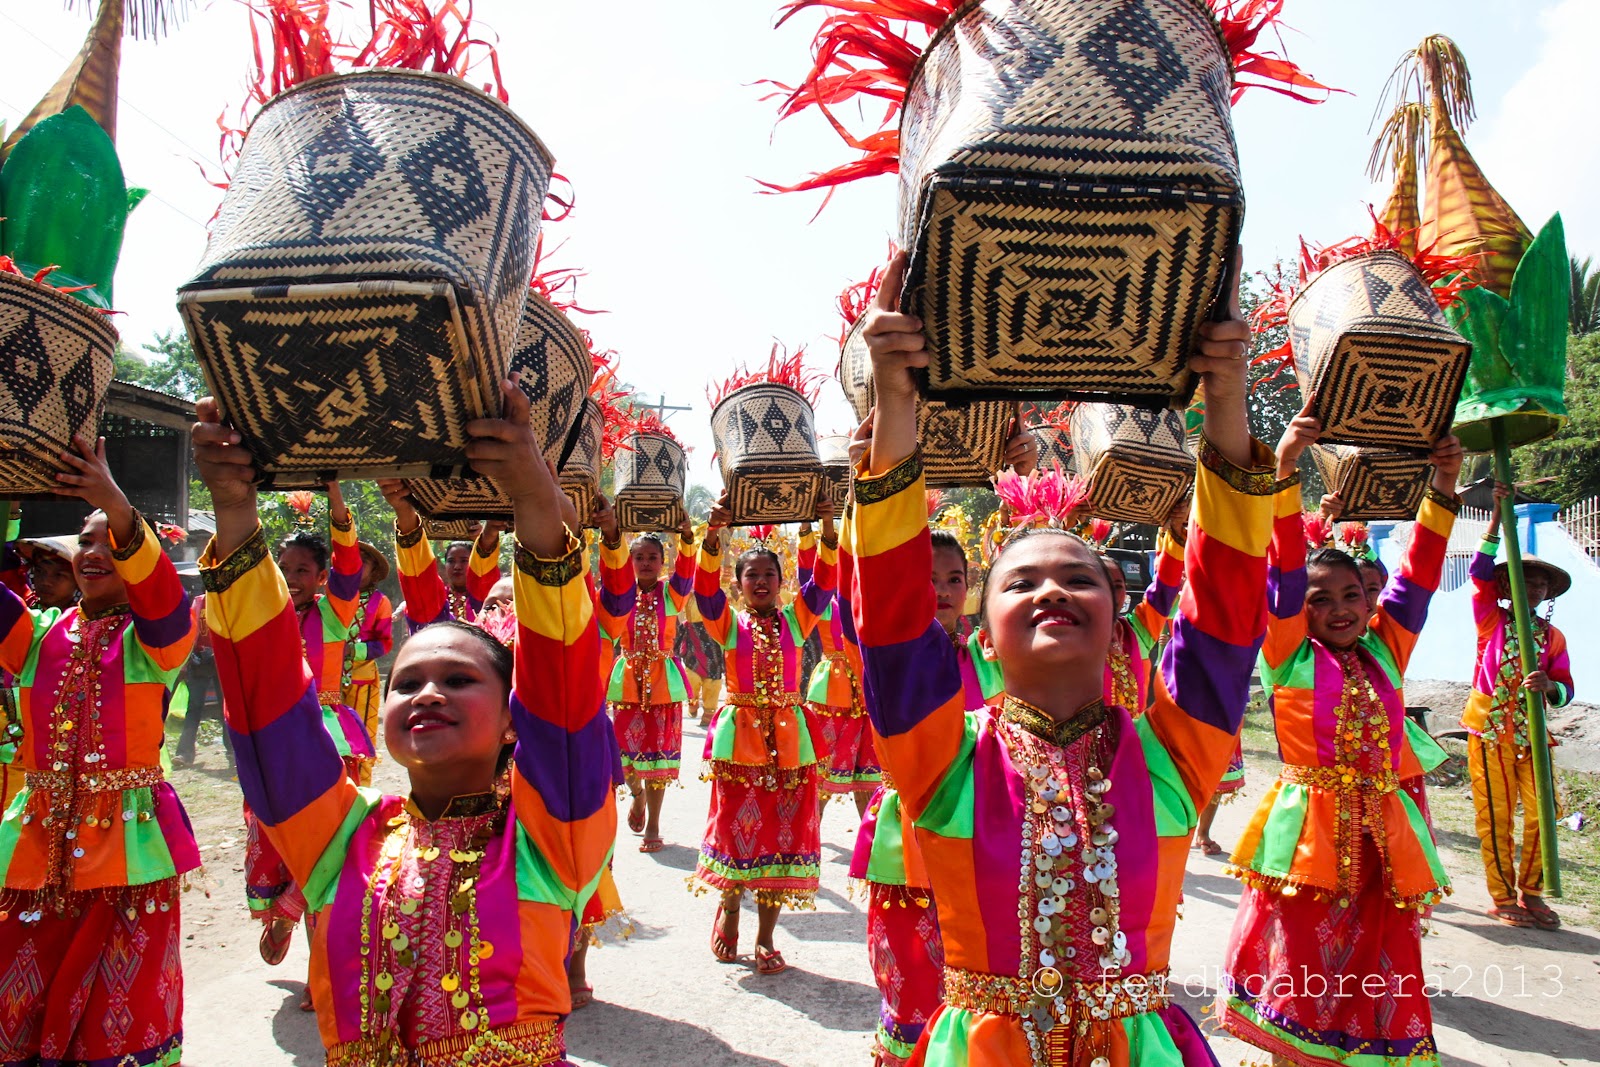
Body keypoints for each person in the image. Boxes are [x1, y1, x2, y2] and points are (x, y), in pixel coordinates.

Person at [850, 250, 1272, 1065]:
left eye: (1079, 577)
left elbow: (1224, 614)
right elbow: (893, 621)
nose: (1052, 589)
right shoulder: (945, 758)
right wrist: (898, 402)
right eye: (1022, 580)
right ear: (983, 624)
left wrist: (1226, 401)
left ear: (1119, 618)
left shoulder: (1173, 754)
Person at [193, 380, 618, 1065]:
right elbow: (268, 711)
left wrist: (534, 496)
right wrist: (236, 509)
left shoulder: (548, 838)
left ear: (514, 720)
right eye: (406, 682)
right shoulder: (341, 836)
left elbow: (565, 698)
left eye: (458, 679)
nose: (426, 693)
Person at [1219, 414, 1463, 1067]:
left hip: (1381, 847)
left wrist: (1444, 482)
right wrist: (1285, 471)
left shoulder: (1387, 651)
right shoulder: (1289, 656)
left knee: (1377, 967)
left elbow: (1419, 576)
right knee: (1303, 969)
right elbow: (1286, 571)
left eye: (1351, 594)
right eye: (1320, 599)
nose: (1338, 608)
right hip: (1308, 845)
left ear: (1369, 600)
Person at [0, 435, 198, 1067]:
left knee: (119, 1013)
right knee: (17, 999)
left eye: (111, 539)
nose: (94, 552)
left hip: (130, 856)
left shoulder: (160, 639)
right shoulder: (34, 636)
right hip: (33, 848)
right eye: (84, 539)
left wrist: (111, 500)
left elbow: (162, 604)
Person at [849, 524, 997, 1067]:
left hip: (986, 837)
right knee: (912, 988)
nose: (942, 589)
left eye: (955, 578)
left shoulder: (992, 655)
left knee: (984, 995)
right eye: (926, 577)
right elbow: (858, 581)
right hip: (907, 839)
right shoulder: (885, 653)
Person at [693, 496, 837, 975]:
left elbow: (824, 584)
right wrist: (713, 536)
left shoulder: (798, 622)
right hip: (740, 747)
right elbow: (704, 592)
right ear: (739, 585)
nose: (759, 582)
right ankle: (731, 912)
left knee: (782, 834)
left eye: (768, 575)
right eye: (750, 575)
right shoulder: (728, 627)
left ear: (781, 582)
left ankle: (767, 937)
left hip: (791, 747)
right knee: (739, 833)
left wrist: (823, 523)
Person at [249, 481, 375, 980]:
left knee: (330, 847)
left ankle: (317, 964)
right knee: (280, 844)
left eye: (302, 570)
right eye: (284, 569)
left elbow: (349, 563)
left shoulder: (335, 611)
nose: (291, 578)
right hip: (274, 740)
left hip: (329, 741)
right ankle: (289, 915)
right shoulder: (264, 614)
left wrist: (336, 497)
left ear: (322, 576)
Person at [1460, 482, 1574, 930]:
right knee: (1497, 816)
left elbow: (1565, 688)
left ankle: (1533, 892)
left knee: (1546, 812)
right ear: (1508, 586)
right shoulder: (1490, 620)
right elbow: (1478, 569)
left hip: (1533, 735)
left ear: (1548, 592)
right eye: (1527, 579)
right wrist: (1495, 516)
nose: (1536, 585)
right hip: (1488, 730)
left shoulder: (1552, 637)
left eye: (1542, 582)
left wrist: (1548, 687)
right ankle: (1502, 895)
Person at [592, 496, 697, 852]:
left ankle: (653, 824)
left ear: (662, 562)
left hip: (664, 685)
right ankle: (635, 794)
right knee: (623, 755)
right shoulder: (619, 596)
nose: (646, 563)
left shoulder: (673, 594)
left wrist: (686, 537)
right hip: (626, 684)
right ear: (629, 561)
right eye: (639, 557)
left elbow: (687, 571)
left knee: (658, 759)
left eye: (653, 557)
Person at [805, 518, 879, 822]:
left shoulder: (874, 597)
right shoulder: (825, 603)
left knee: (870, 774)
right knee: (823, 767)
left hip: (870, 689)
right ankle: (810, 835)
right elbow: (807, 572)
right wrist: (817, 529)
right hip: (832, 693)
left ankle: (870, 842)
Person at [378, 480, 504, 632]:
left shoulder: (487, 599)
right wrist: (403, 510)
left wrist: (489, 535)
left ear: (473, 562)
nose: (457, 566)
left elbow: (483, 578)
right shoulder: (435, 601)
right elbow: (418, 578)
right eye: (451, 561)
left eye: (464, 561)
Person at [342, 540, 397, 782]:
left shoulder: (380, 603)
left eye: (362, 562)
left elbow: (384, 644)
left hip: (361, 683)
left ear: (374, 570)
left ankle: (361, 789)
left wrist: (351, 650)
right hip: (328, 681)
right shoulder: (333, 597)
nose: (355, 566)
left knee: (360, 738)